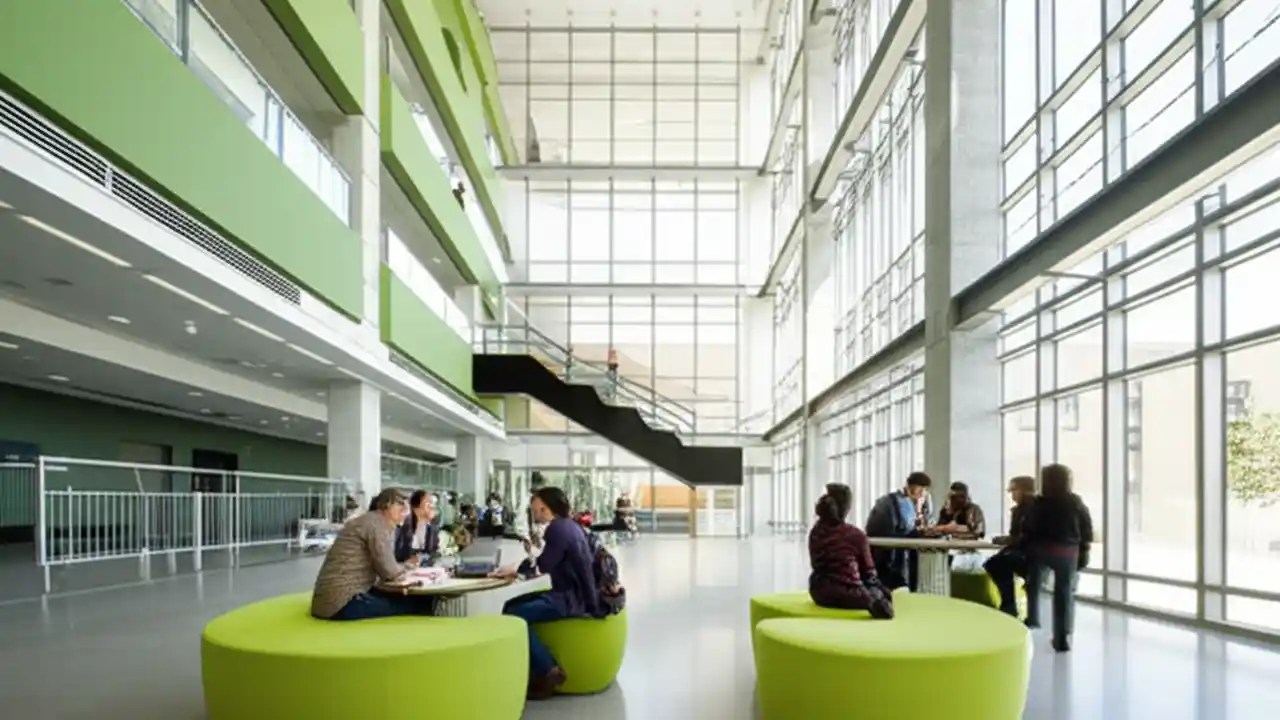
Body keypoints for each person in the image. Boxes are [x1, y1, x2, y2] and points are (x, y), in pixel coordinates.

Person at [493, 486, 599, 700]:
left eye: (534, 508)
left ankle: (549, 671)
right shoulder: (571, 526)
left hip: (568, 599)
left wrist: (516, 570)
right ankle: (531, 668)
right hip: (575, 594)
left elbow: (545, 564)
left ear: (545, 508)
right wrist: (520, 567)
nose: (532, 511)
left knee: (513, 615)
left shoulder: (556, 529)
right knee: (510, 606)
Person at [311, 488, 434, 620]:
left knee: (399, 598)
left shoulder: (371, 521)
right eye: (399, 503)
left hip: (330, 600)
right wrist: (408, 566)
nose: (405, 509)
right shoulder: (376, 524)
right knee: (415, 604)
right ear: (385, 505)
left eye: (406, 504)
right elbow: (390, 572)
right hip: (342, 602)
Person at [1023, 464, 1094, 653]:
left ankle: (1033, 618)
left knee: (1033, 582)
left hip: (1041, 550)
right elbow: (1086, 528)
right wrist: (1084, 549)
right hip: (1067, 552)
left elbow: (1028, 528)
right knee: (1063, 593)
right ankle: (1061, 638)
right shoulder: (1075, 502)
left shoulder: (1038, 503)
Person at [808, 483, 894, 618]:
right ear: (846, 508)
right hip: (848, 594)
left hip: (818, 591)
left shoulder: (816, 532)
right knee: (881, 593)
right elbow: (869, 573)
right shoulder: (855, 535)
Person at [864, 471, 935, 590]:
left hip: (891, 555)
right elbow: (901, 530)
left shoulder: (898, 501)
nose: (922, 494)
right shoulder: (894, 503)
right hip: (890, 557)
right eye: (921, 490)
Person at [985, 475, 1036, 617]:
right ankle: (1009, 605)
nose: (1012, 495)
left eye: (1014, 490)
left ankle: (1011, 606)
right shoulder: (1018, 511)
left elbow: (1028, 536)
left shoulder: (1035, 510)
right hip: (1020, 551)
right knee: (994, 563)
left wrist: (1008, 541)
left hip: (1033, 554)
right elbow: (1016, 535)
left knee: (999, 563)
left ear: (1025, 490)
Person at [394, 490, 439, 564]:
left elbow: (433, 555)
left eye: (433, 503)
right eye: (428, 502)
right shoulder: (401, 525)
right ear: (416, 506)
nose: (432, 506)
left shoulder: (433, 529)